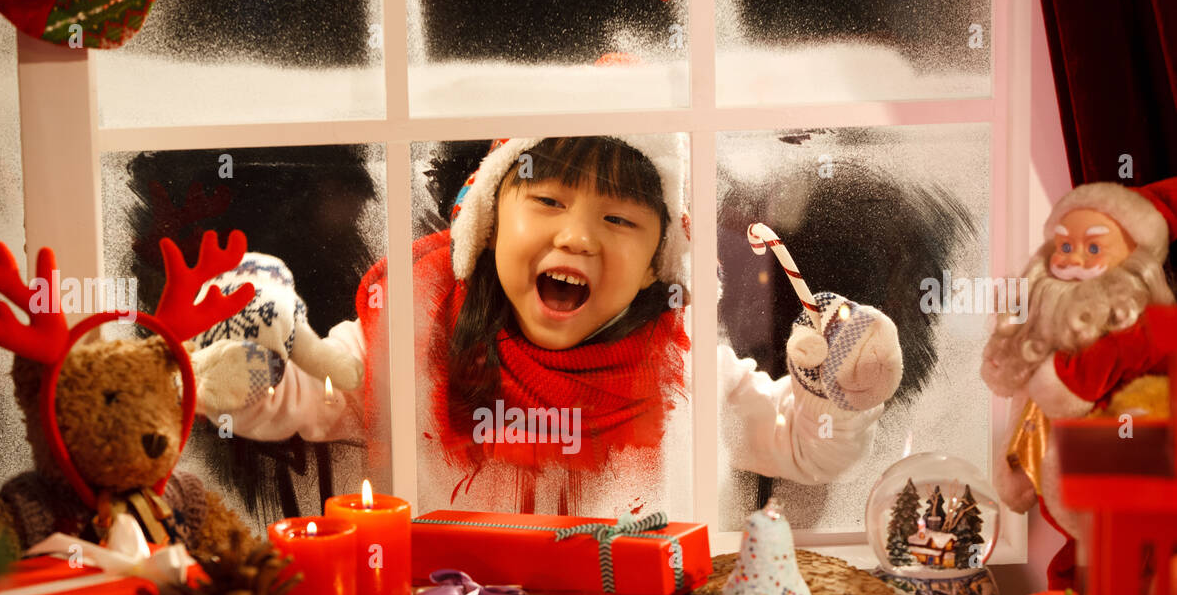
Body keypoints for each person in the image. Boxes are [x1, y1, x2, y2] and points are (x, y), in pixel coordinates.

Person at [191, 136, 903, 517]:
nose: (579, 237)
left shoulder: (679, 367)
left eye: (618, 219)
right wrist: (243, 346)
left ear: (657, 264)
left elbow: (804, 451)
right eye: (549, 201)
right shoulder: (414, 342)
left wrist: (837, 383)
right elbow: (282, 399)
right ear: (493, 226)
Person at [982, 179, 1177, 588]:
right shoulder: (1046, 329)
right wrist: (1013, 466)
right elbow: (1030, 401)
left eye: (1094, 248)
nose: (1073, 262)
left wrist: (1068, 382)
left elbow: (1074, 384)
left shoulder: (1148, 328)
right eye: (1064, 247)